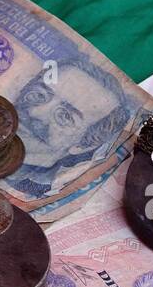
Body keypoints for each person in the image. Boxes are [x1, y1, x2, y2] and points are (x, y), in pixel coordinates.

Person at [9, 55, 134, 199]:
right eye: (39, 95)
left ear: (82, 146)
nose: (34, 112)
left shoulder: (38, 192)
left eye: (66, 116)